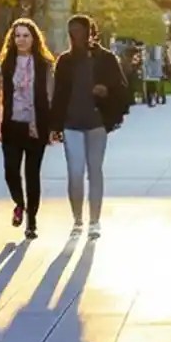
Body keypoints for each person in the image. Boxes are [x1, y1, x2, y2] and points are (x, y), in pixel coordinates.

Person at [49, 15, 130, 240]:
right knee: (75, 173)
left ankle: (94, 221)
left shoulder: (105, 59)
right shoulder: (65, 61)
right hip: (71, 123)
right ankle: (77, 220)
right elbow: (58, 95)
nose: (76, 35)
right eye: (72, 31)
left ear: (90, 32)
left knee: (95, 171)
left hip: (96, 123)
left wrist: (106, 92)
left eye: (80, 31)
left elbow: (122, 89)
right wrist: (55, 125)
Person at [0, 18, 54, 240]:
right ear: (12, 38)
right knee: (10, 171)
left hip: (36, 126)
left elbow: (50, 95)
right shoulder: (5, 64)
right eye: (17, 35)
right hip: (12, 125)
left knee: (32, 174)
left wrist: (53, 127)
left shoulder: (44, 64)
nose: (21, 39)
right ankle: (19, 203)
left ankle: (32, 222)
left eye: (26, 35)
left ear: (34, 38)